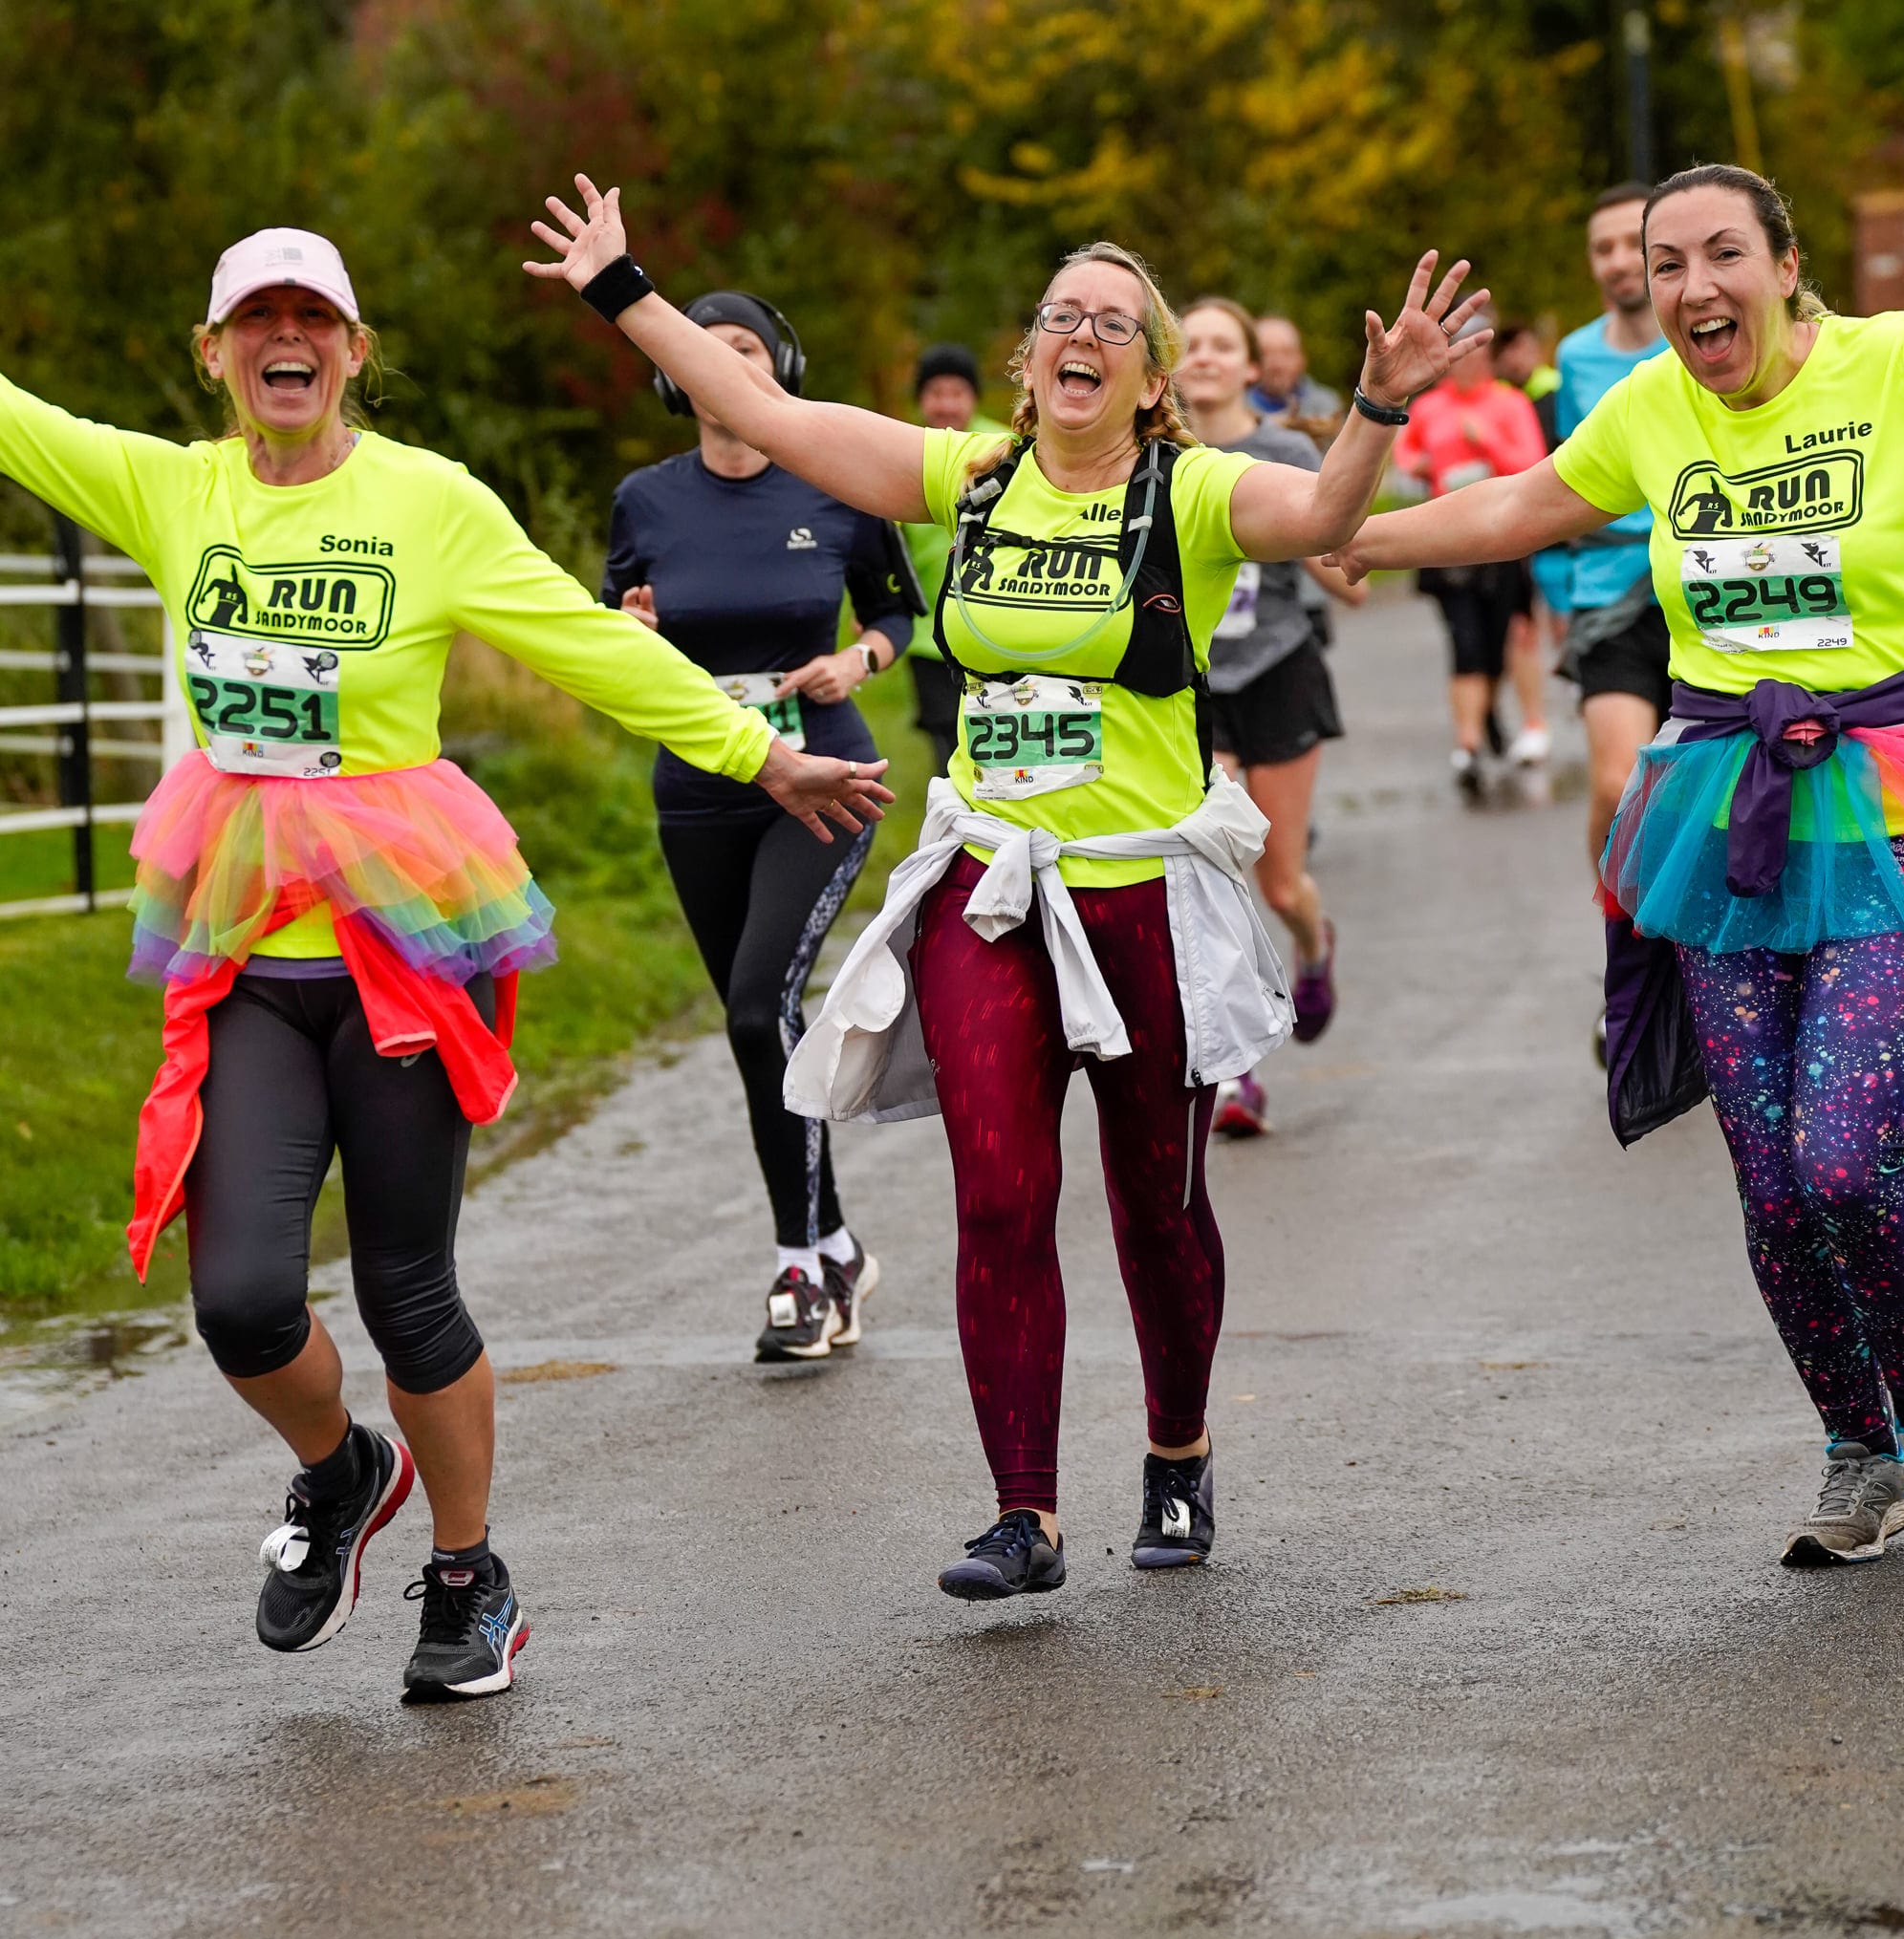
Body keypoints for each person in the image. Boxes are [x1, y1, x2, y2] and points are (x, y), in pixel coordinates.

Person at [526, 173, 1488, 1594]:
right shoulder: (969, 474)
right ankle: (1022, 1514)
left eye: (1112, 322)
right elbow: (771, 415)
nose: (1078, 334)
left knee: (1157, 1202)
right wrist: (624, 290)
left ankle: (1176, 1457)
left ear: (1151, 378)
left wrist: (1379, 404)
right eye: (1058, 316)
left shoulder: (1193, 492)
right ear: (1029, 360)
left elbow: (1322, 508)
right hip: (994, 891)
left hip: (1144, 895)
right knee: (997, 1196)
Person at [0, 227, 886, 1703]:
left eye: (315, 317)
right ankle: (340, 1469)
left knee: (407, 1287)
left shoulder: (428, 502)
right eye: (257, 319)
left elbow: (589, 647)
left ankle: (470, 1578)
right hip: (250, 948)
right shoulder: (172, 489)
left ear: (354, 350)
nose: (287, 338)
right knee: (240, 1300)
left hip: (406, 944)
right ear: (215, 353)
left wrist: (761, 755)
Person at [1325, 163, 1904, 1568]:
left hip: (1890, 804)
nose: (1694, 286)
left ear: (1786, 265)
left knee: (1842, 1155)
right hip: (1721, 816)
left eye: (1724, 254)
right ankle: (1859, 1445)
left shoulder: (1893, 366)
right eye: (1667, 265)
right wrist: (1355, 535)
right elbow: (1520, 507)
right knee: (1771, 1178)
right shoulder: (1653, 403)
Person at [602, 290, 917, 1360]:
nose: (722, 364)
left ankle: (800, 1262)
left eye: (743, 348)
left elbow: (897, 609)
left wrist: (858, 658)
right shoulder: (644, 499)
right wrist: (630, 629)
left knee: (755, 1007)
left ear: (780, 364)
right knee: (758, 1032)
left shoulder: (831, 480)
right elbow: (611, 628)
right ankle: (834, 1247)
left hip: (822, 779)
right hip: (697, 786)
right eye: (701, 349)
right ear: (671, 373)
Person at [1177, 296, 1367, 1138]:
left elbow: (1344, 571)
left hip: (1279, 670)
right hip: (1190, 687)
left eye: (1222, 345)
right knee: (1209, 869)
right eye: (1190, 344)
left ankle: (1313, 944)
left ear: (1251, 368)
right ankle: (1235, 1072)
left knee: (1277, 882)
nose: (1204, 356)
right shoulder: (1154, 458)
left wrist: (1342, 552)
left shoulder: (1284, 453)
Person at [1543, 185, 1673, 1069]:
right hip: (1608, 595)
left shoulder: (1702, 341)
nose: (1619, 262)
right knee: (1618, 784)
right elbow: (1560, 483)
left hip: (1700, 588)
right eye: (1603, 248)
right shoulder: (1575, 355)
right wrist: (1556, 587)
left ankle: (1711, 959)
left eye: (1634, 244)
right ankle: (1625, 965)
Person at [1394, 321, 1549, 794]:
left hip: (1502, 539)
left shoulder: (1510, 402)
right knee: (1466, 643)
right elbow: (1404, 455)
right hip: (1448, 542)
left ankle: (1493, 716)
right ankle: (1467, 746)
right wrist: (1420, 465)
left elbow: (1534, 464)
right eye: (1457, 358)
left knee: (1502, 641)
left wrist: (1487, 442)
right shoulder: (1428, 407)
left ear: (1488, 360)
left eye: (1474, 357)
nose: (1465, 366)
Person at [899, 343, 1007, 772]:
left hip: (991, 621)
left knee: (994, 728)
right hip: (927, 630)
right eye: (935, 393)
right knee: (945, 733)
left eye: (957, 393)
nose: (946, 404)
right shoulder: (906, 451)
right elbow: (889, 541)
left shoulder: (1004, 448)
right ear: (921, 399)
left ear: (974, 397)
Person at [1249, 314, 1344, 426]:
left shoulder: (1327, 405)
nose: (1278, 364)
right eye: (1266, 353)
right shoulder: (1234, 406)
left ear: (1302, 358)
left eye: (1287, 353)